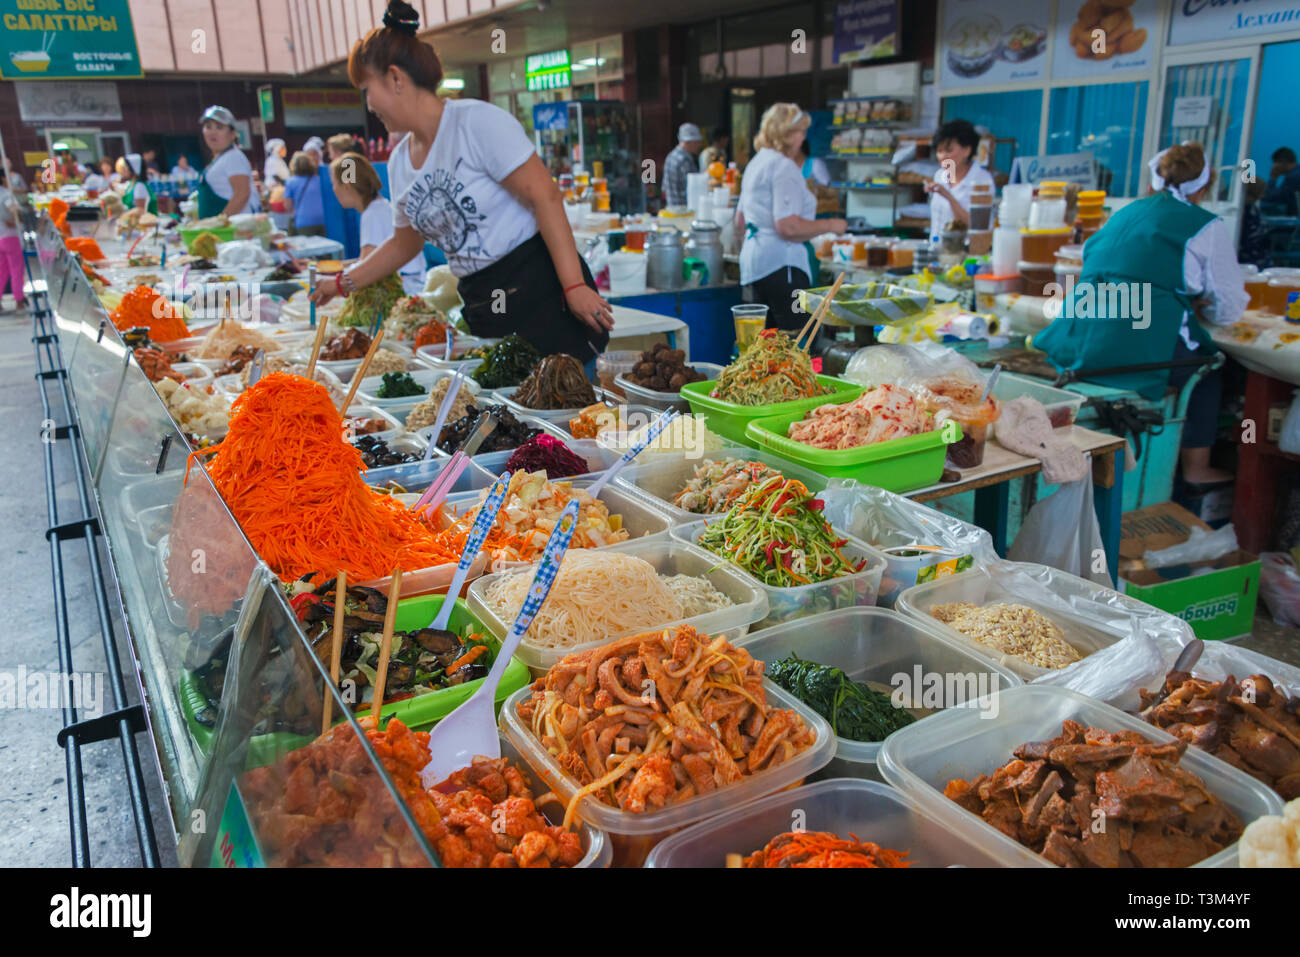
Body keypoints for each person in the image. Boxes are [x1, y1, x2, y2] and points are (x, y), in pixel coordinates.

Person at [311, 1, 611, 368]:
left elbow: (545, 195)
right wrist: (343, 282)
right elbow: (403, 244)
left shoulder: (474, 123)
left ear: (395, 78)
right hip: (482, 304)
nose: (369, 104)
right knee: (506, 413)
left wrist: (574, 285)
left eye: (367, 89)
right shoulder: (401, 161)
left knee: (565, 407)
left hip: (540, 293)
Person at [1034, 142, 1246, 487]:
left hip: (1076, 344)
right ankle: (1196, 469)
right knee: (1208, 374)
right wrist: (1187, 303)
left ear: (1153, 183)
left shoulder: (1123, 214)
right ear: (1204, 188)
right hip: (1134, 351)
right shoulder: (1205, 226)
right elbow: (1229, 309)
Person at [734, 103, 847, 333]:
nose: (803, 138)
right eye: (800, 132)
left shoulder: (756, 163)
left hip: (753, 265)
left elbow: (739, 222)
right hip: (782, 268)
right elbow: (788, 227)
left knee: (762, 345)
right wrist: (832, 225)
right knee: (799, 344)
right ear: (785, 134)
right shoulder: (783, 166)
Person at [330, 153, 426, 294]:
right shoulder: (381, 207)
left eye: (334, 183)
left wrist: (334, 281)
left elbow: (365, 266)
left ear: (347, 186)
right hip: (414, 284)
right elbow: (370, 260)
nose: (333, 189)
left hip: (405, 290)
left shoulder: (372, 215)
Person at [925, 118, 995, 242]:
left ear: (967, 150)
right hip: (938, 249)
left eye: (949, 150)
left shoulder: (982, 179)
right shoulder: (940, 176)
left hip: (967, 253)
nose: (942, 156)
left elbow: (976, 227)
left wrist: (948, 197)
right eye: (939, 151)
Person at [197, 105, 260, 218]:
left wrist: (220, 222)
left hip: (232, 232)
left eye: (219, 127)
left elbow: (242, 194)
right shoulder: (221, 157)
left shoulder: (233, 157)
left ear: (232, 133)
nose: (212, 132)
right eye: (208, 126)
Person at [283, 151, 326, 237]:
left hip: (304, 221)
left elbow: (288, 206)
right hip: (323, 220)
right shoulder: (320, 180)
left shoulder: (291, 182)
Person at [0, 166, 25, 313]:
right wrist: (16, 219)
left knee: (1, 270)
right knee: (16, 269)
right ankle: (19, 300)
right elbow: (14, 211)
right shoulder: (6, 195)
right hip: (10, 236)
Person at [663, 123, 704, 207]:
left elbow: (664, 188)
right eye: (697, 142)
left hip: (671, 209)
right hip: (684, 212)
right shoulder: (684, 160)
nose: (699, 145)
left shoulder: (671, 156)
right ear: (688, 142)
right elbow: (693, 189)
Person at [1265, 146, 1299, 215]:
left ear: (1283, 161)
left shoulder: (1292, 178)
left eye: (1275, 163)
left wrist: (1273, 177)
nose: (1273, 166)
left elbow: (1272, 198)